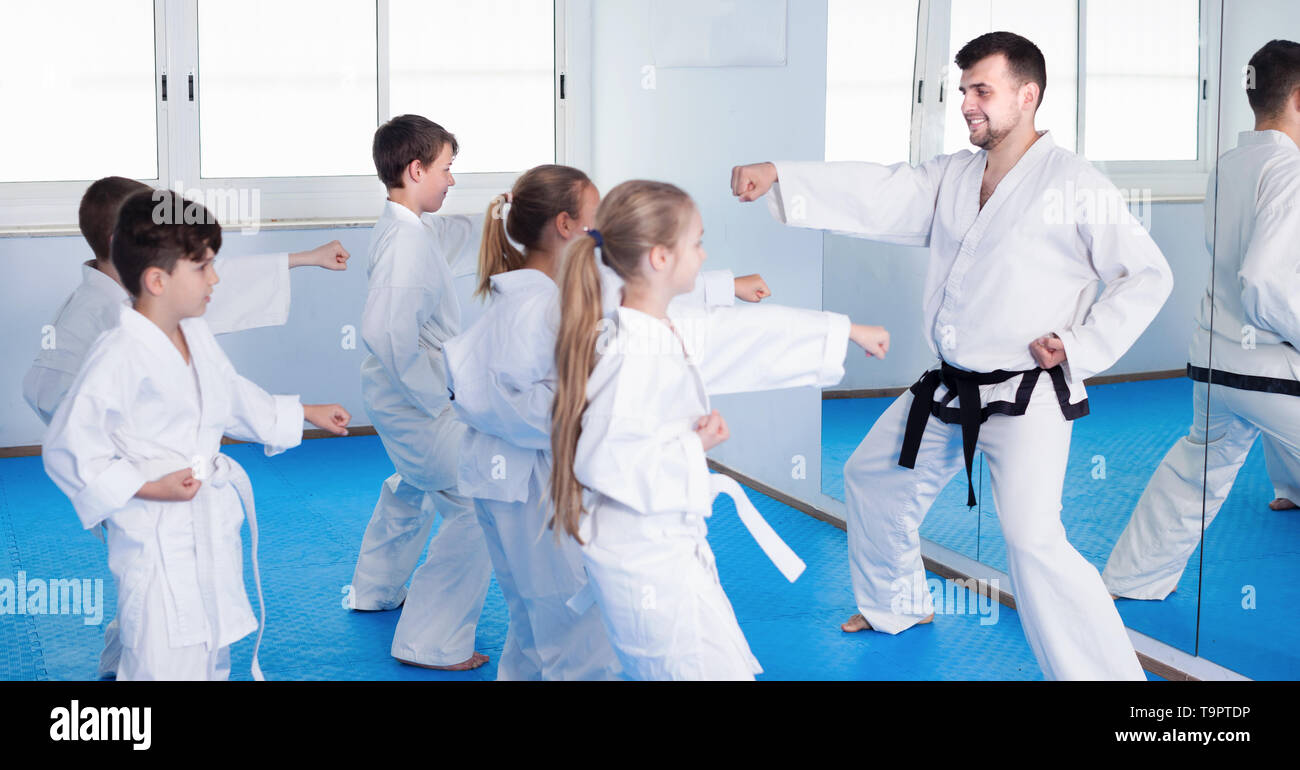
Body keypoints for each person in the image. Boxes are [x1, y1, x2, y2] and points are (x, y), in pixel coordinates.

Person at [731, 31, 1172, 679]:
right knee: (873, 479)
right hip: (948, 386)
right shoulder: (955, 176)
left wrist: (1078, 347)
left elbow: (1148, 275)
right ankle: (899, 605)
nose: (967, 103)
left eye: (981, 91)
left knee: (1032, 541)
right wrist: (782, 178)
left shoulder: (1074, 184)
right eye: (963, 90)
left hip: (1025, 395)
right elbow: (880, 191)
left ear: (1028, 96)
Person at [549, 179, 890, 680]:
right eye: (697, 242)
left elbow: (748, 333)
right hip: (645, 561)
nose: (704, 254)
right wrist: (694, 445)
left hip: (666, 554)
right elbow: (606, 463)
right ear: (661, 258)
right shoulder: (631, 355)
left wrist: (845, 332)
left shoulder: (658, 327)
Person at [445, 164, 767, 679]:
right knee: (575, 642)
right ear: (568, 226)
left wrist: (725, 287)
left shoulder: (523, 298)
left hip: (496, 485)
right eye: (598, 220)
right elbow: (621, 317)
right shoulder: (544, 308)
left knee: (532, 627)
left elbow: (628, 293)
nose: (606, 235)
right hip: (530, 492)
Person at [23, 175, 349, 679]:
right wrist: (144, 484)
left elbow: (229, 392)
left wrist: (301, 413)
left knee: (210, 651)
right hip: (154, 533)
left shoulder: (190, 329)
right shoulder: (119, 348)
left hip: (207, 523)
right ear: (157, 279)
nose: (215, 279)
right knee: (159, 656)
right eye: (205, 267)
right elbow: (67, 445)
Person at [1103, 39, 1300, 599]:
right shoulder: (1290, 170)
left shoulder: (1232, 163)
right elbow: (1265, 281)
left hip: (1215, 359)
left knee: (1195, 473)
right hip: (1262, 368)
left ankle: (1128, 580)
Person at [349, 114, 492, 670]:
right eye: (446, 169)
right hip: (417, 404)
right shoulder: (406, 243)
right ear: (415, 169)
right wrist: (444, 397)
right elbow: (385, 332)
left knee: (412, 483)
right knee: (477, 506)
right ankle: (429, 642)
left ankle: (375, 588)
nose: (451, 180)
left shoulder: (408, 226)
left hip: (398, 401)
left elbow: (458, 235)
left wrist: (509, 215)